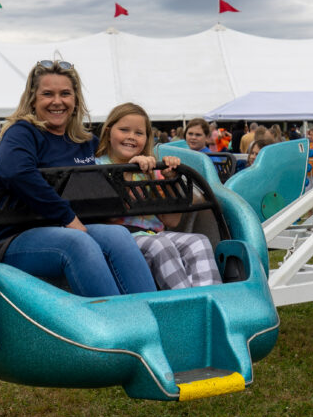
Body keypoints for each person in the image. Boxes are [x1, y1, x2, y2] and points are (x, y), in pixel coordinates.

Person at [0, 60, 156, 297]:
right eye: (48, 94)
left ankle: (154, 318)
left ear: (75, 100)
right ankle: (118, 327)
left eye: (65, 93)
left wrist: (137, 160)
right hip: (15, 238)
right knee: (79, 243)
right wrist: (66, 217)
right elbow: (14, 171)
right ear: (33, 99)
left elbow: (112, 163)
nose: (57, 101)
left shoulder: (84, 141)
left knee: (118, 234)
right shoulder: (23, 132)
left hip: (74, 228)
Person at [95, 103, 222, 290]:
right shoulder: (97, 167)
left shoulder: (152, 171)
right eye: (124, 130)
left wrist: (170, 180)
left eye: (139, 133)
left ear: (147, 138)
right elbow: (111, 213)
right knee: (160, 245)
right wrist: (128, 171)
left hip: (154, 235)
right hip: (120, 239)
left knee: (198, 242)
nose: (131, 137)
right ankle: (187, 304)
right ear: (108, 132)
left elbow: (171, 221)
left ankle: (209, 300)